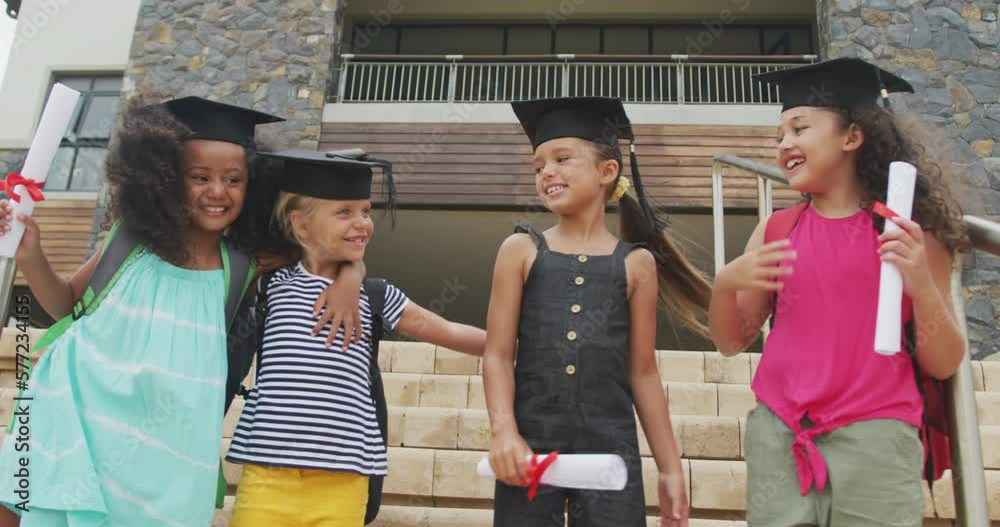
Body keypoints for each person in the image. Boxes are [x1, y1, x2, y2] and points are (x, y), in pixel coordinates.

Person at [0, 95, 362, 527]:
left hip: (168, 451)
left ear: (253, 185)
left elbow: (330, 249)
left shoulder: (244, 264)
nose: (217, 191)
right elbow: (65, 303)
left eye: (233, 179)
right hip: (85, 418)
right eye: (199, 177)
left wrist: (351, 278)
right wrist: (31, 255)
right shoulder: (128, 241)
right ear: (167, 179)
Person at [708, 58, 969, 526]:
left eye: (800, 128)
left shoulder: (909, 236)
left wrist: (922, 284)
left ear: (852, 137)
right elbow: (730, 343)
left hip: (876, 440)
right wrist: (725, 285)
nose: (784, 144)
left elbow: (945, 362)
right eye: (780, 135)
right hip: (781, 436)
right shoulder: (776, 231)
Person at [225, 149, 486, 527]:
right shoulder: (269, 286)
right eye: (344, 212)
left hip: (344, 482)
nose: (362, 222)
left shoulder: (375, 296)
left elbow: (446, 330)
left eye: (365, 211)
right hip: (268, 477)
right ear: (301, 225)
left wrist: (519, 346)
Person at [484, 96, 712, 527]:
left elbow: (643, 372)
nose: (546, 171)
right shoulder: (520, 250)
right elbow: (497, 354)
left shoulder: (637, 265)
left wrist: (670, 469)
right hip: (529, 447)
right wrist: (504, 432)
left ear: (607, 171)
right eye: (538, 165)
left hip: (611, 445)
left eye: (562, 159)